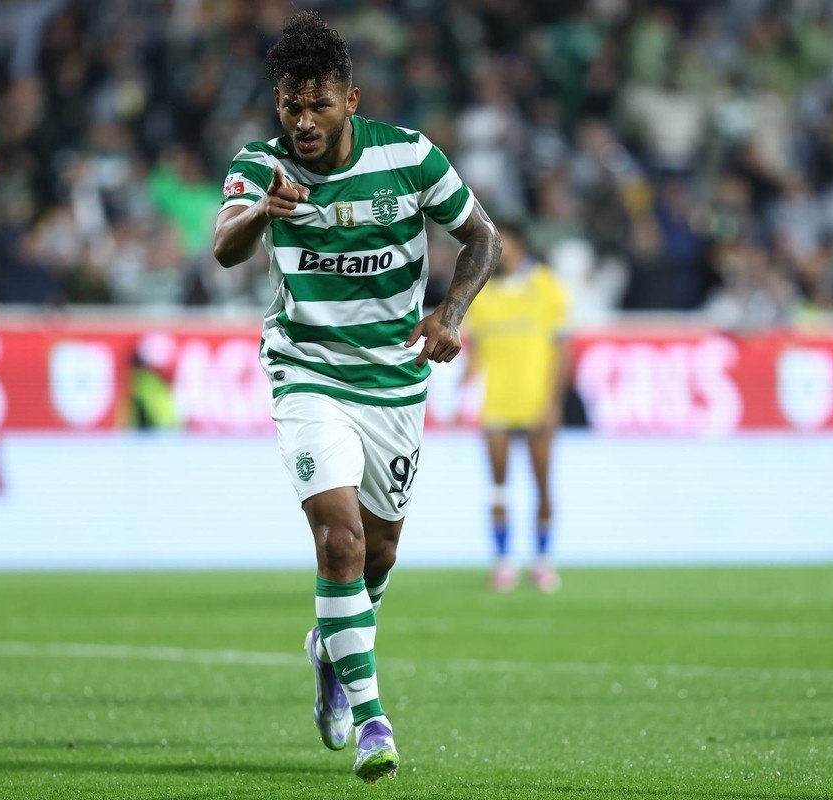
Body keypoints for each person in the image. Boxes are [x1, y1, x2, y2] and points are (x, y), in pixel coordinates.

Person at [211, 12, 499, 783]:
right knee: (337, 541)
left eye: (319, 105)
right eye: (290, 105)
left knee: (378, 553)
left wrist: (450, 314)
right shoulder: (260, 166)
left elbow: (483, 237)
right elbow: (225, 247)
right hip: (306, 372)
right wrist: (261, 213)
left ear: (350, 100)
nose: (303, 121)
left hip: (394, 381)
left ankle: (330, 651)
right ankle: (374, 722)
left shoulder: (409, 156)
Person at [463, 220, 570, 593]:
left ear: (520, 245)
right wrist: (462, 393)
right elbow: (475, 354)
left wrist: (554, 402)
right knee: (498, 487)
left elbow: (562, 351)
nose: (497, 253)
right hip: (497, 402)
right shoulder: (482, 294)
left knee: (542, 484)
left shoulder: (546, 286)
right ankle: (503, 561)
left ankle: (542, 560)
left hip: (536, 402)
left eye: (502, 244)